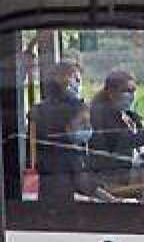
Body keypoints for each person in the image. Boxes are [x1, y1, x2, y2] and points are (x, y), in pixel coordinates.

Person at [30, 66, 118, 204]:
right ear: (65, 126)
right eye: (83, 123)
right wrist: (113, 200)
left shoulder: (60, 148)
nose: (89, 128)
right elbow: (83, 184)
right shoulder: (65, 154)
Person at [88, 70, 144, 194]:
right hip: (113, 174)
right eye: (127, 91)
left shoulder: (127, 114)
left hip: (134, 168)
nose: (132, 95)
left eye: (133, 90)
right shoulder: (100, 115)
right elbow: (123, 141)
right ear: (111, 93)